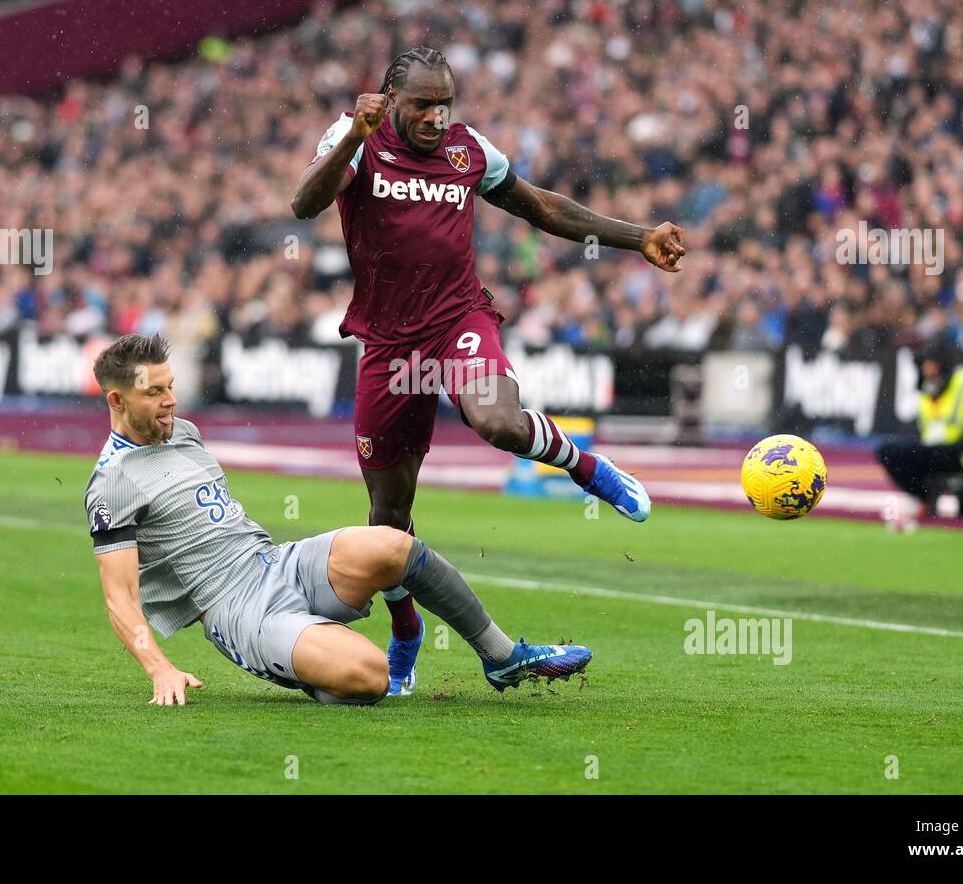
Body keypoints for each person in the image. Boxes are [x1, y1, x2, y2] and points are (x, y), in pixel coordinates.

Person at [291, 46, 684, 694]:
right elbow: (306, 203)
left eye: (445, 104)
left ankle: (589, 469)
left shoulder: (469, 150)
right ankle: (406, 631)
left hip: (457, 320)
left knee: (497, 421)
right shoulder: (355, 138)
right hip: (388, 344)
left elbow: (543, 208)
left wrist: (635, 235)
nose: (436, 118)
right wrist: (350, 143)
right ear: (390, 102)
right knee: (388, 515)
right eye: (422, 105)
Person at [84, 333, 591, 707]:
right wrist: (160, 669)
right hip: (236, 611)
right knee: (369, 677)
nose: (170, 401)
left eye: (171, 388)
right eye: (155, 394)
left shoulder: (184, 431)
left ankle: (501, 657)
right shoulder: (113, 483)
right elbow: (119, 599)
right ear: (117, 400)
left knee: (390, 544)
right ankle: (306, 657)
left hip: (274, 561)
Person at [876, 341, 963, 521]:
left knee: (908, 453)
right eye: (924, 365)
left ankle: (925, 497)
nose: (927, 370)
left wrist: (954, 448)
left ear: (943, 366)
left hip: (960, 456)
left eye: (931, 365)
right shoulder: (926, 390)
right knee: (887, 452)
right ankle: (922, 496)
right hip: (932, 452)